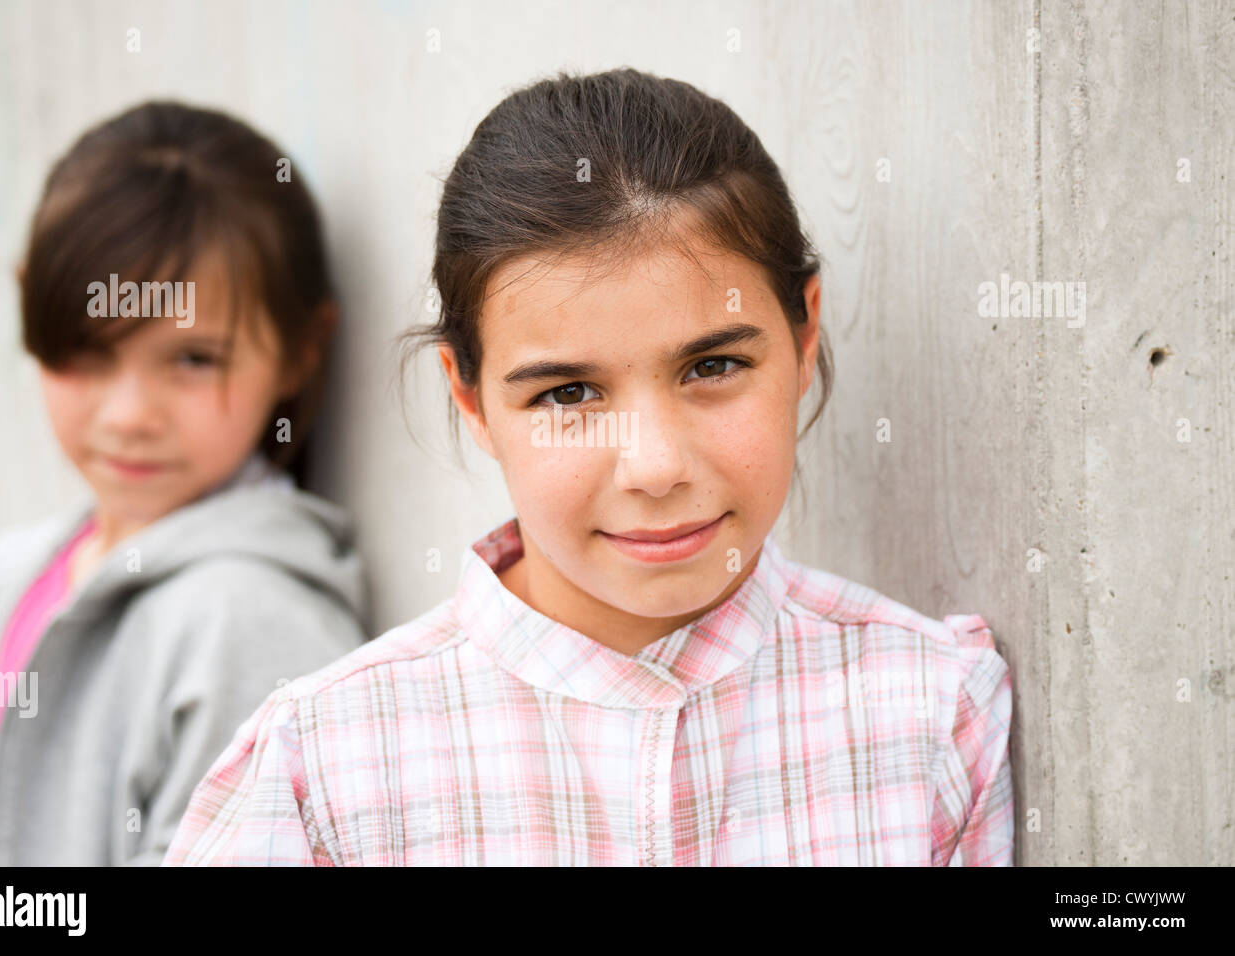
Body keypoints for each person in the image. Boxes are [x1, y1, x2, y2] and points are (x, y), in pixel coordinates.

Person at [165, 69, 1013, 866]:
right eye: (568, 394)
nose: (653, 467)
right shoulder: (325, 773)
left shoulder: (933, 714)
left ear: (802, 334)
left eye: (712, 368)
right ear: (469, 397)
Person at [0, 101, 366, 866]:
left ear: (303, 349)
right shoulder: (20, 567)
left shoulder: (247, 621)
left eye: (194, 359)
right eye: (90, 351)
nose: (131, 416)